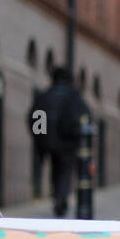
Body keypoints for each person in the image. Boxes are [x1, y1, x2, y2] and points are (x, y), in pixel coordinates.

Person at [37, 67, 90, 217]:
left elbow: (35, 115)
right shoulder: (73, 96)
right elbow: (84, 116)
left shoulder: (45, 96)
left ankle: (57, 197)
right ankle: (61, 199)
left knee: (55, 169)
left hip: (49, 141)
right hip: (67, 142)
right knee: (65, 171)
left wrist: (40, 137)